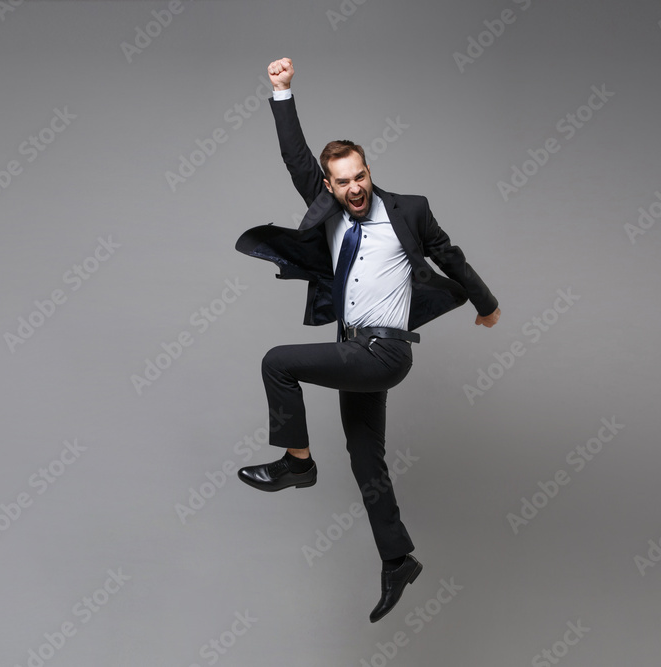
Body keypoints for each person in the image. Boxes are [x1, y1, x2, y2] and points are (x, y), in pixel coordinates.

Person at [235, 57, 501, 623]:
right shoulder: (329, 210)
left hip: (384, 352)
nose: (354, 188)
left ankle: (297, 463)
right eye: (342, 181)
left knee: (276, 362)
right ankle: (398, 557)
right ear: (329, 185)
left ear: (369, 171)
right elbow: (294, 158)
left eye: (360, 176)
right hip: (350, 347)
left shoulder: (409, 211)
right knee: (365, 460)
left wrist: (487, 304)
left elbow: (449, 256)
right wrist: (281, 93)